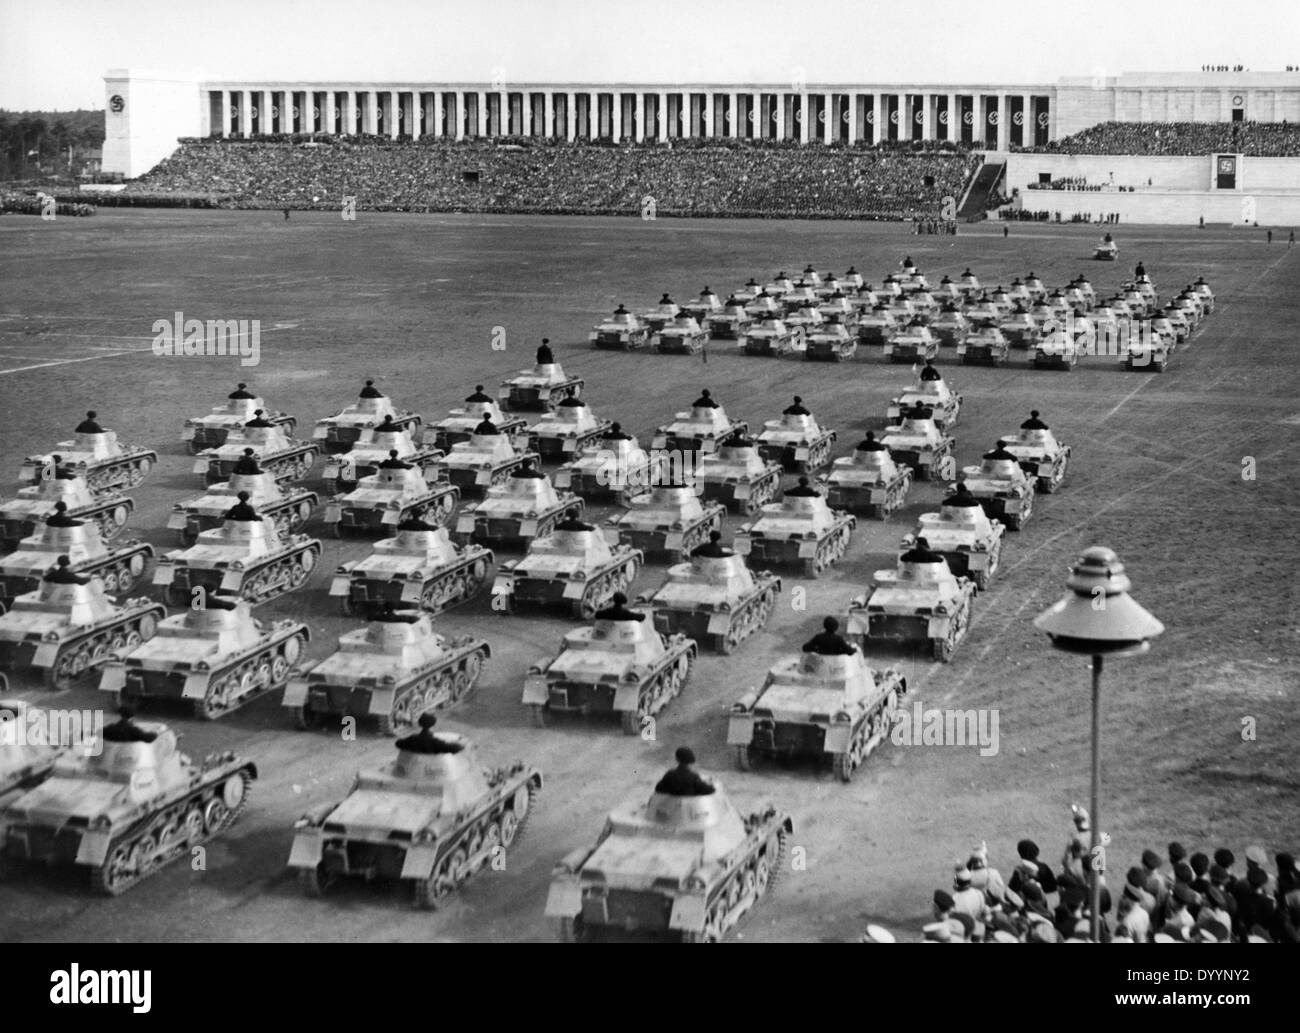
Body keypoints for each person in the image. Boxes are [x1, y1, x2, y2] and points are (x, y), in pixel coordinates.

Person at [396, 713, 462, 754]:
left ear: (420, 724)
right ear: (432, 726)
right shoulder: (436, 742)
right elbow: (455, 748)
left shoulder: (412, 739)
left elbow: (398, 743)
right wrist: (462, 744)